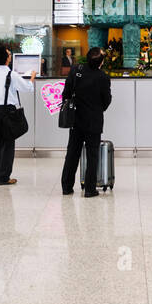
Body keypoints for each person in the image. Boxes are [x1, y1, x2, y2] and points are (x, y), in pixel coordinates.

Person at [60, 47, 113, 197]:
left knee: (72, 153)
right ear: (101, 62)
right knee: (92, 155)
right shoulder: (103, 77)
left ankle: (66, 186)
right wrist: (97, 109)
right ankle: (90, 189)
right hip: (93, 121)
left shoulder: (76, 69)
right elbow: (106, 101)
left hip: (75, 119)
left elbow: (66, 93)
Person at [0, 45, 35, 186]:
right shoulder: (12, 74)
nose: (11, 56)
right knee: (7, 144)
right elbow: (27, 88)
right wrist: (32, 77)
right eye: (9, 55)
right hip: (7, 112)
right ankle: (4, 177)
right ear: (6, 59)